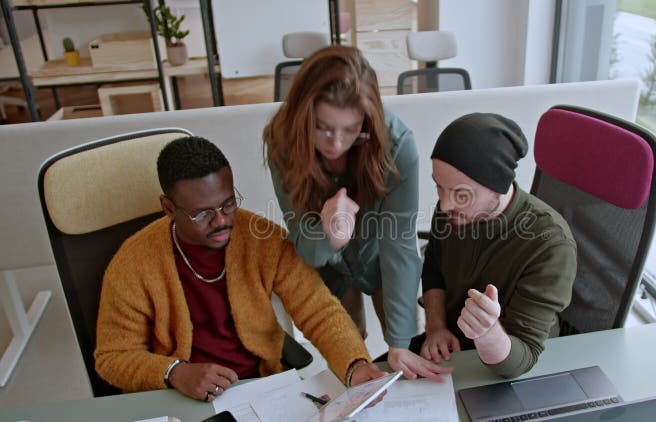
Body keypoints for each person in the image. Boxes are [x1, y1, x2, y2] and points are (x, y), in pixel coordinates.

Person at [95, 136, 385, 401]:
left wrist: (355, 365)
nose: (221, 221)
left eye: (228, 204)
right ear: (169, 207)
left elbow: (319, 310)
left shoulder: (262, 239)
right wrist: (175, 372)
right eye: (203, 213)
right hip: (180, 396)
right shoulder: (133, 263)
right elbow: (112, 357)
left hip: (260, 386)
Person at [264, 45, 450, 381]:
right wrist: (328, 236)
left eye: (350, 130)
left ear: (367, 117)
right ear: (305, 114)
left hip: (380, 255)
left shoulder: (396, 144)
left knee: (403, 345)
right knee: (351, 354)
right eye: (322, 127)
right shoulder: (282, 141)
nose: (335, 143)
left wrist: (400, 342)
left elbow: (400, 244)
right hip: (327, 264)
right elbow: (305, 244)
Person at [415, 113, 577, 378]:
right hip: (454, 345)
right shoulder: (452, 211)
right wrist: (436, 327)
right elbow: (433, 268)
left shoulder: (550, 246)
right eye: (439, 188)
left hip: (512, 367)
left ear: (498, 187)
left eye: (461, 193)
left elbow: (522, 360)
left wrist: (487, 332)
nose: (444, 205)